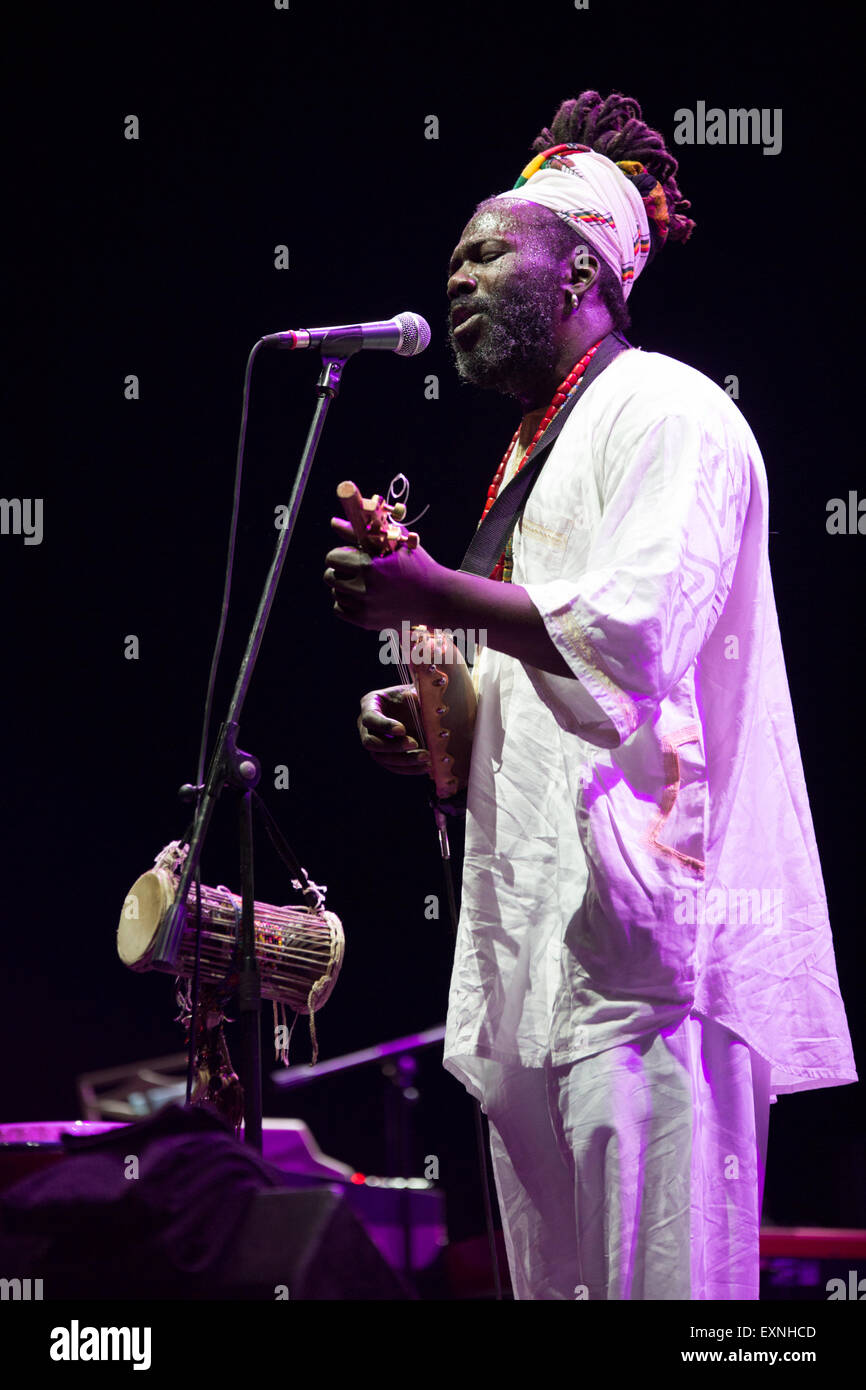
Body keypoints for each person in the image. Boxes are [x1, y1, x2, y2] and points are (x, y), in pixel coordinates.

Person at [323, 90, 857, 1300]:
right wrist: (432, 719)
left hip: (650, 964)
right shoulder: (532, 451)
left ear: (574, 270)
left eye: (480, 250)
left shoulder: (666, 408)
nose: (452, 275)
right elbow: (535, 681)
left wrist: (436, 592)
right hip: (534, 957)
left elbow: (636, 634)